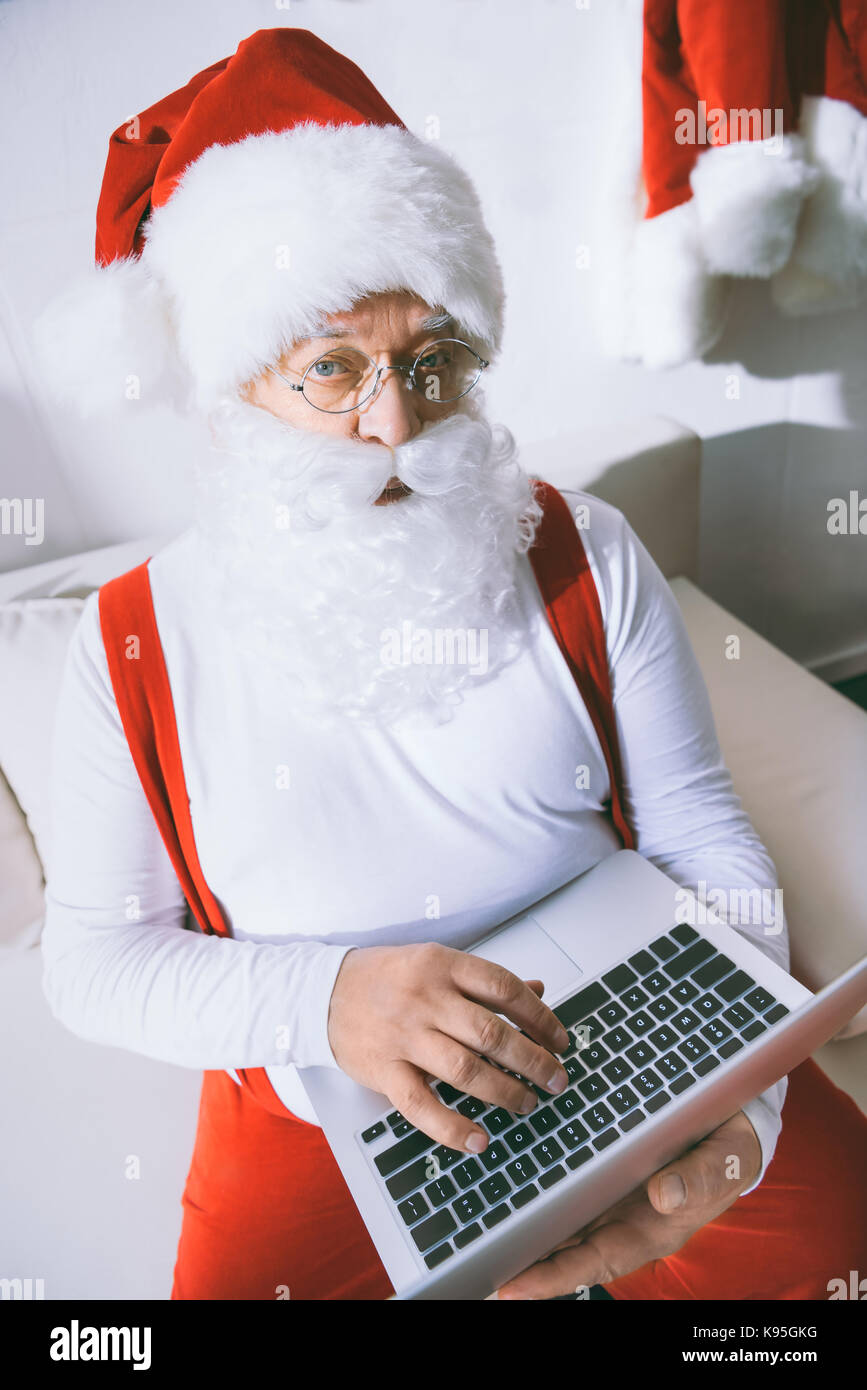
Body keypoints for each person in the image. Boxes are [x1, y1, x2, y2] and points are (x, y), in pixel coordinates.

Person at [36, 27, 867, 1302]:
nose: (398, 424)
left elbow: (703, 827)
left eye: (433, 361)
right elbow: (94, 963)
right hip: (330, 1088)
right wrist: (332, 1004)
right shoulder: (131, 643)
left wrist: (738, 1116)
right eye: (332, 369)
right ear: (228, 389)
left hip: (635, 1032)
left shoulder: (581, 545)